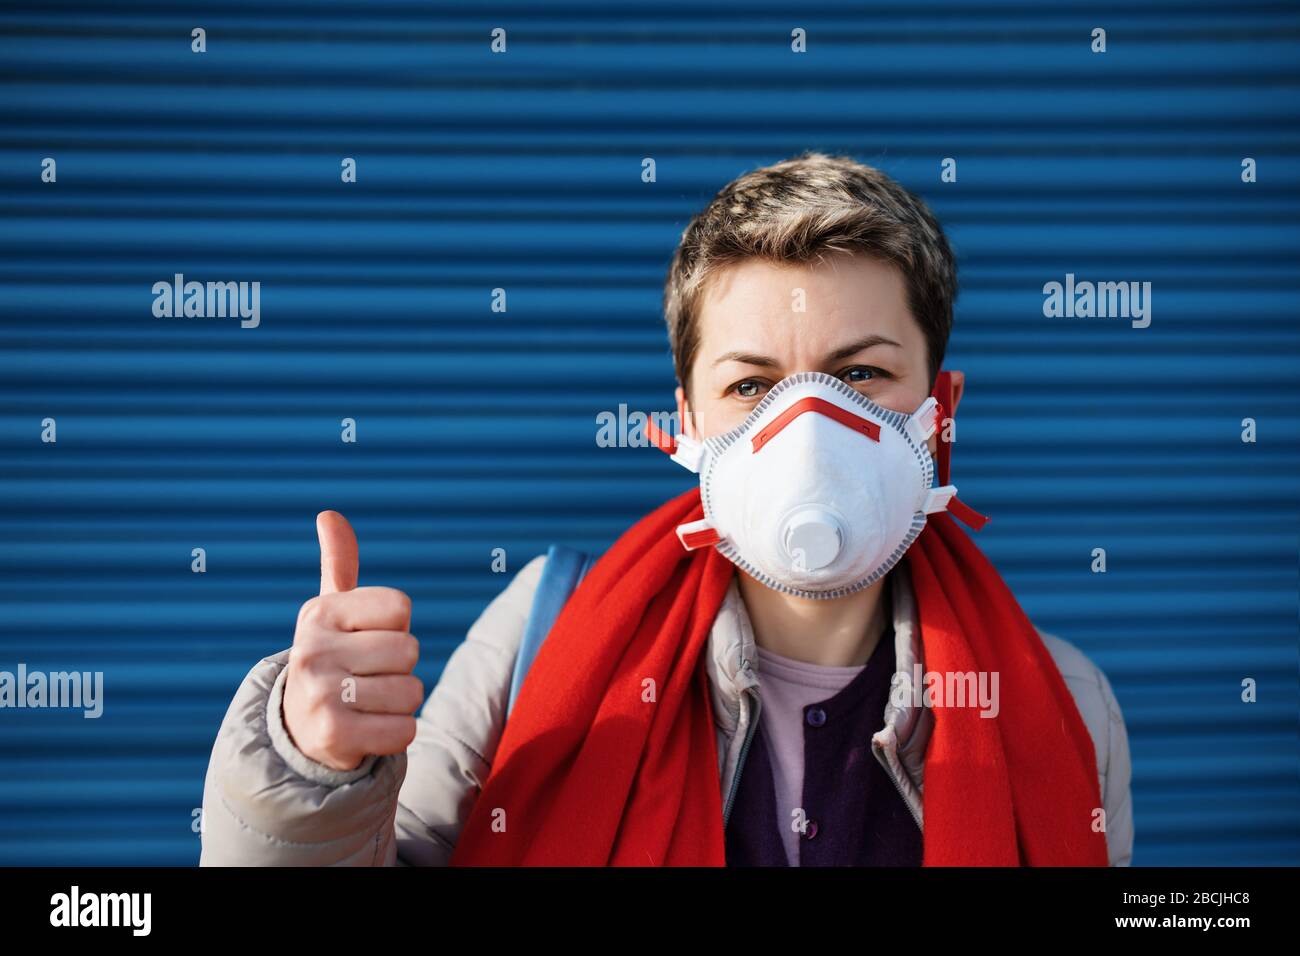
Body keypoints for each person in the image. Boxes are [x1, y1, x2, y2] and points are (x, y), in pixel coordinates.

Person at [199, 151, 1133, 867]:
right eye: (750, 385)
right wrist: (310, 767)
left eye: (860, 375)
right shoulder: (542, 630)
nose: (806, 430)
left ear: (941, 414)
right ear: (685, 424)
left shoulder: (1061, 703)